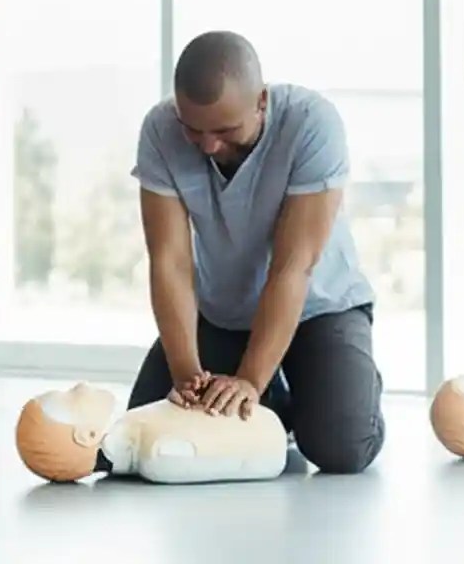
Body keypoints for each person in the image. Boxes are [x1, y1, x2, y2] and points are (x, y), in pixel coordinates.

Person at [127, 30, 384, 475]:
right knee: (155, 434)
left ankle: (330, 386)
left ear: (261, 101)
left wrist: (249, 379)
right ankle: (273, 406)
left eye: (226, 131)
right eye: (194, 130)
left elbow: (292, 266)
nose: (208, 146)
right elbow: (169, 260)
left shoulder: (311, 123)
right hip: (223, 312)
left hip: (318, 308)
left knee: (341, 447)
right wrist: (187, 374)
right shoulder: (160, 129)